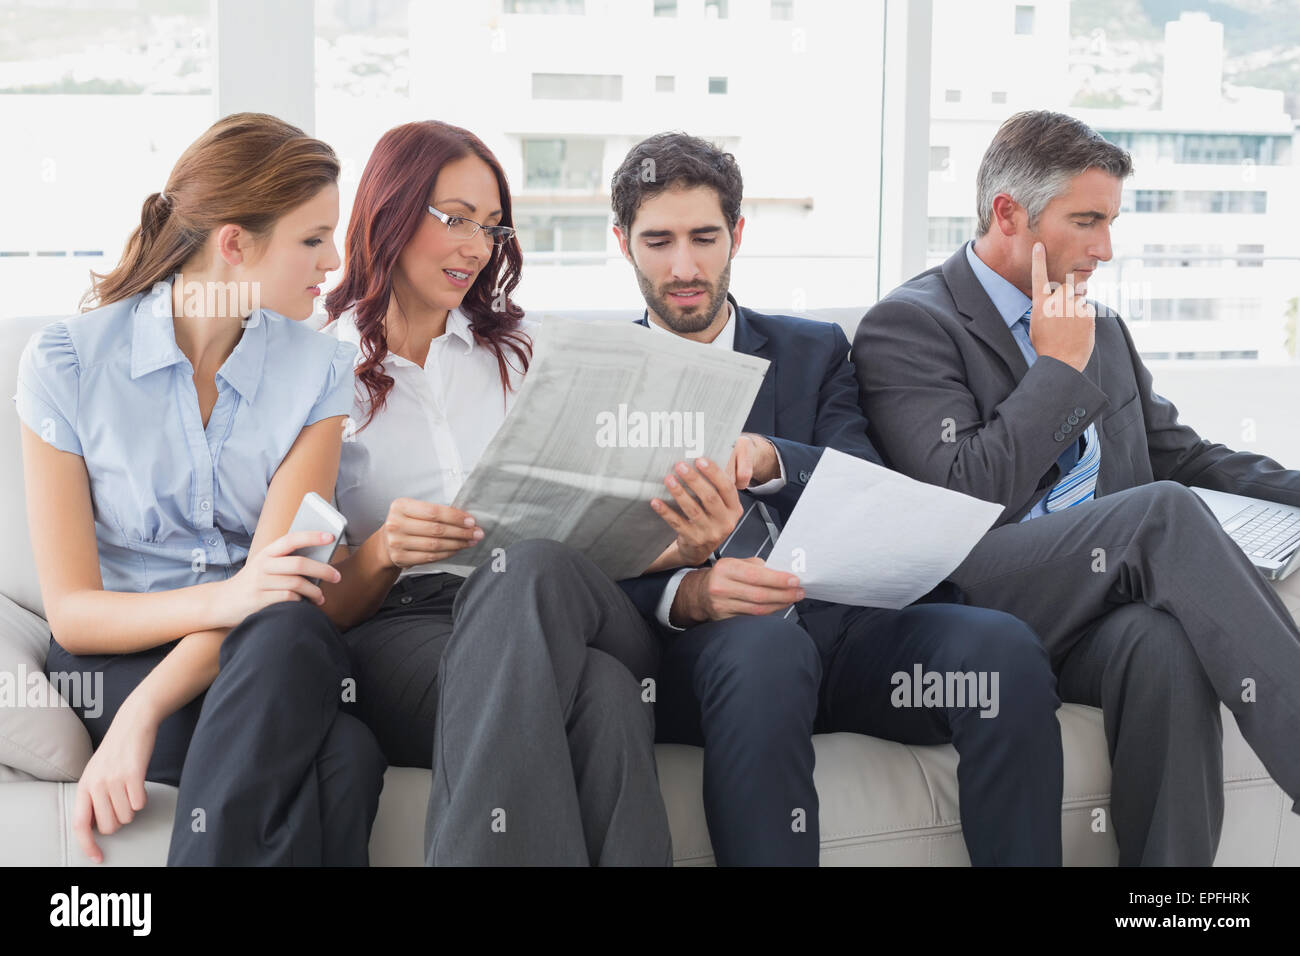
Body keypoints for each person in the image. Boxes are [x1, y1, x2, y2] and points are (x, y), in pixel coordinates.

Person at [853, 109, 1300, 865]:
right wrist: (1057, 371)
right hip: (974, 601)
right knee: (1162, 515)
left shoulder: (1105, 328)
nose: (1106, 249)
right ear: (1007, 214)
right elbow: (962, 492)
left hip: (1088, 615)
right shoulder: (910, 325)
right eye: (1086, 221)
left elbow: (1184, 458)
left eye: (1111, 222)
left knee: (1162, 647)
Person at [612, 132, 1065, 866]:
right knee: (764, 650)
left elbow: (864, 489)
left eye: (704, 237)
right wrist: (692, 592)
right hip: (715, 664)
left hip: (852, 646)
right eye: (658, 241)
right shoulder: (598, 379)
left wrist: (770, 462)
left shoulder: (811, 350)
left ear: (737, 236)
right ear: (623, 243)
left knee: (999, 648)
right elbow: (585, 563)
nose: (685, 266)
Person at [319, 120, 737, 865]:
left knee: (532, 570)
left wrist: (687, 545)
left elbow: (597, 530)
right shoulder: (319, 366)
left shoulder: (526, 351)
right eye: (455, 219)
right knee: (604, 699)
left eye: (491, 228)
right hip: (405, 629)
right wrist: (382, 550)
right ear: (388, 208)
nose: (477, 248)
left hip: (571, 599)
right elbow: (317, 601)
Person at [15, 112, 385, 865]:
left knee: (284, 626)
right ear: (235, 244)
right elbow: (76, 615)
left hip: (259, 652)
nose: (335, 260)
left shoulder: (318, 372)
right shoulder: (67, 364)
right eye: (312, 239)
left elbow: (280, 589)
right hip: (116, 656)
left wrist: (146, 712)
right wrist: (223, 601)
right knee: (344, 757)